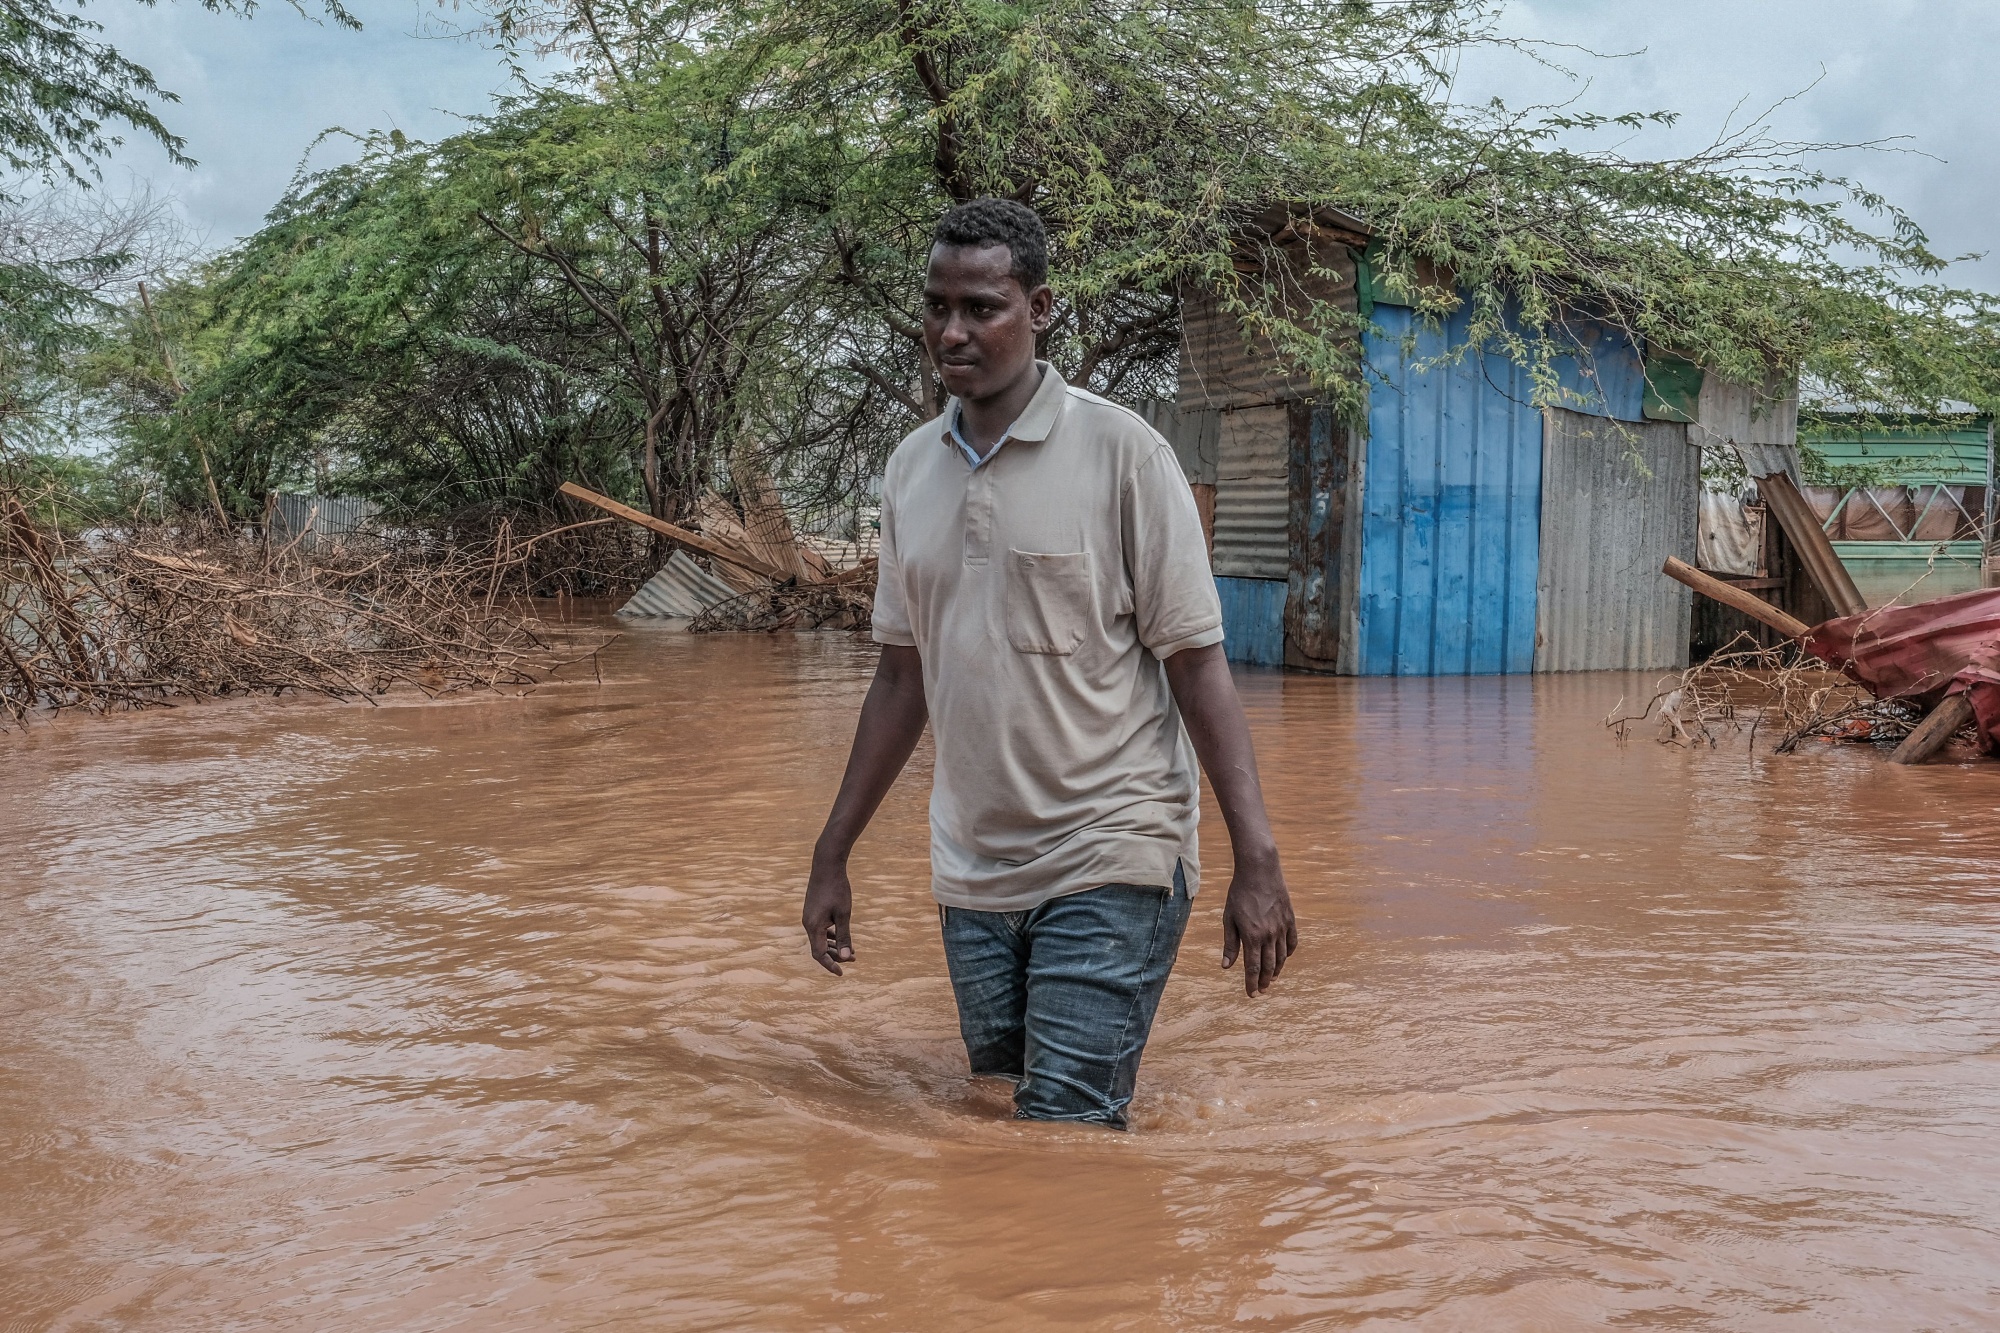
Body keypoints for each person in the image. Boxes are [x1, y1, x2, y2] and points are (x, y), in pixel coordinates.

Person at [801, 198, 1296, 1130]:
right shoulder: (910, 472)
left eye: (982, 306)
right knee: (995, 1116)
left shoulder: (1125, 457)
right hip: (974, 866)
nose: (953, 330)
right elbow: (902, 679)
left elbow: (1197, 667)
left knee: (1061, 1129)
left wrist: (1256, 861)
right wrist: (833, 853)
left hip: (1116, 843)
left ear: (1041, 307)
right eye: (936, 306)